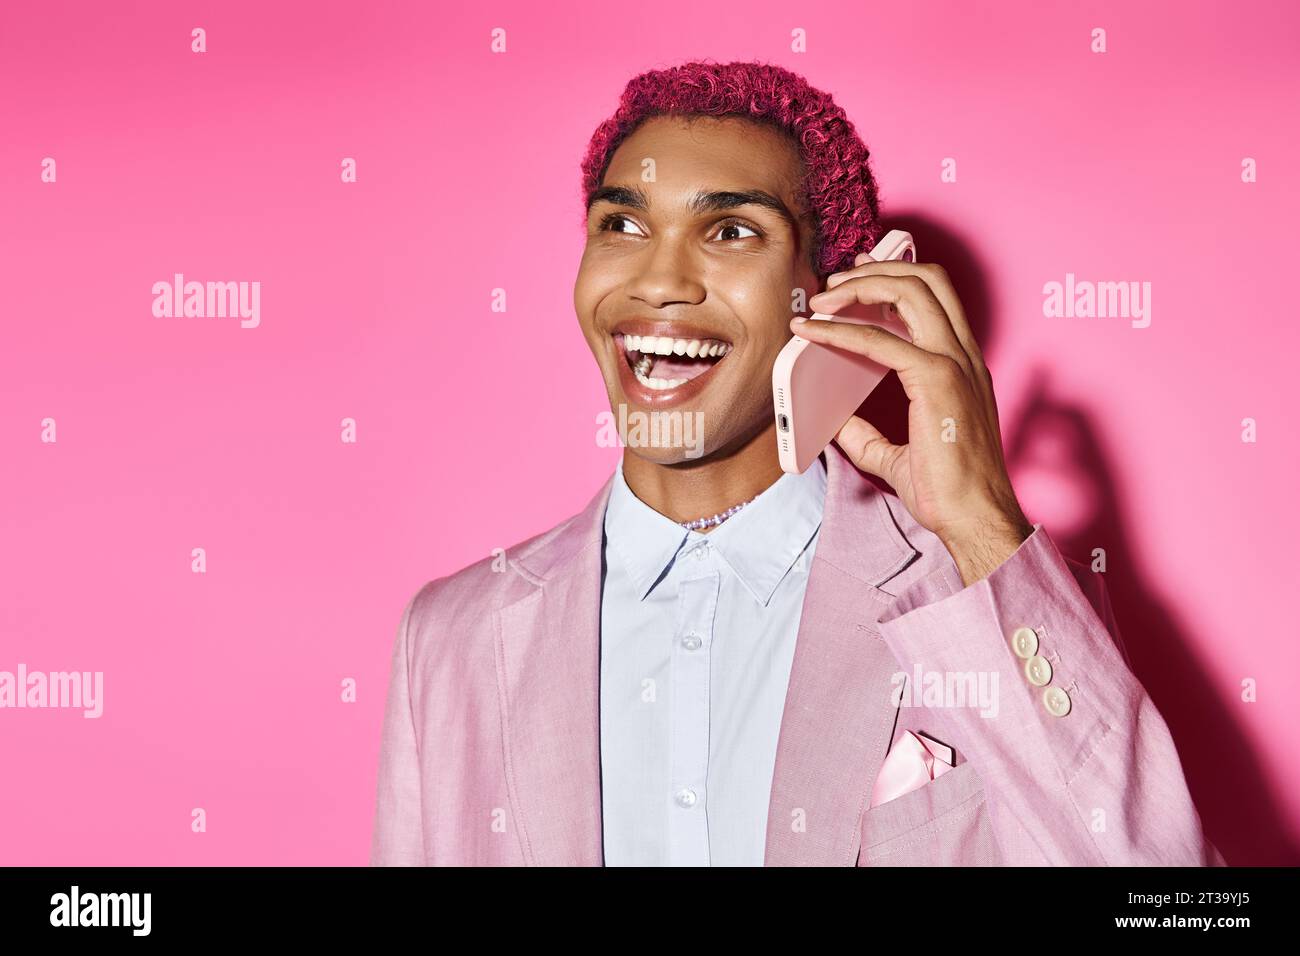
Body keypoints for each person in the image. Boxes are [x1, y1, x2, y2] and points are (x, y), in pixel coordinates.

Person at [370, 60, 1223, 866]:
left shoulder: (989, 594)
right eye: (622, 224)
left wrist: (981, 527)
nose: (659, 281)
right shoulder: (451, 635)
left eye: (732, 230)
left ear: (837, 294)